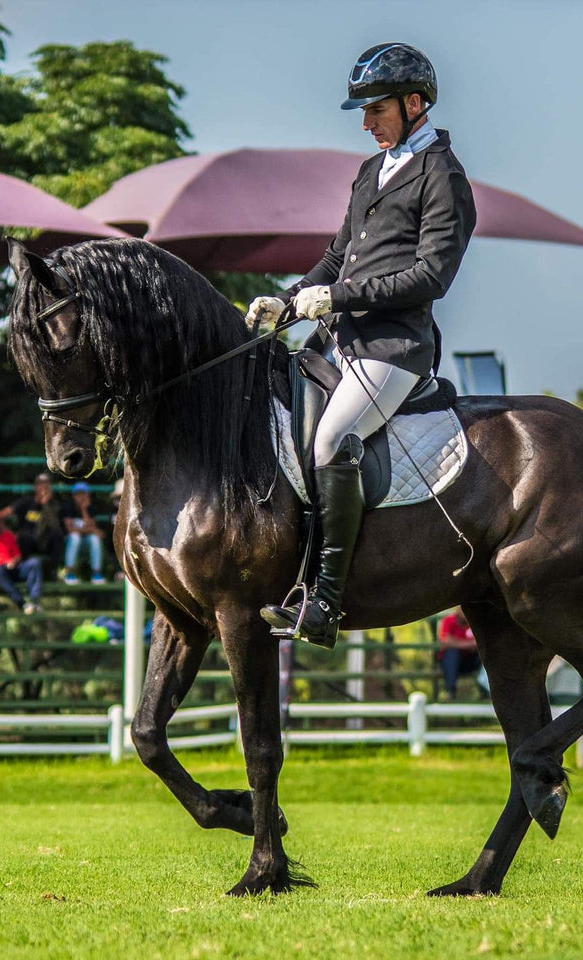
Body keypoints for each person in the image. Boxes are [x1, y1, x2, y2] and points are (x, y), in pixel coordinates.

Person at [250, 42, 477, 648]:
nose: (367, 121)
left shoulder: (444, 177)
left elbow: (433, 275)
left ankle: (324, 602)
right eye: (365, 111)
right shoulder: (371, 171)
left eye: (376, 109)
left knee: (331, 440)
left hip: (392, 350)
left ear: (413, 103)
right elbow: (336, 256)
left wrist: (342, 297)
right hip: (338, 342)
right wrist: (291, 298)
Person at [1, 473, 65, 578]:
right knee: (23, 535)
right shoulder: (26, 502)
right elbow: (3, 515)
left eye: (47, 484)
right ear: (35, 486)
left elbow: (55, 526)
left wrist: (46, 505)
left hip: (46, 541)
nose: (44, 487)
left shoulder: (54, 504)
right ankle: (25, 570)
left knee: (57, 535)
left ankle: (53, 571)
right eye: (40, 484)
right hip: (27, 540)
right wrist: (9, 533)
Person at [62, 481, 106, 585]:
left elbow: (94, 529)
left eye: (83, 494)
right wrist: (88, 530)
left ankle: (97, 573)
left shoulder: (91, 508)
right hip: (70, 543)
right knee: (75, 537)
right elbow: (70, 530)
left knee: (95, 539)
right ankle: (69, 573)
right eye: (78, 494)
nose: (81, 497)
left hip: (86, 542)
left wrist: (84, 510)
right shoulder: (68, 507)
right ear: (74, 495)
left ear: (88, 495)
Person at [437, 608, 487, 699]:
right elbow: (446, 641)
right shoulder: (449, 620)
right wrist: (471, 644)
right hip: (453, 662)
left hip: (472, 659)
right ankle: (450, 692)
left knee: (486, 655)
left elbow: (482, 641)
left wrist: (455, 642)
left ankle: (485, 691)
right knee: (451, 654)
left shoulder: (475, 622)